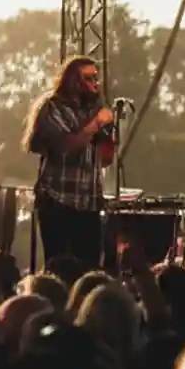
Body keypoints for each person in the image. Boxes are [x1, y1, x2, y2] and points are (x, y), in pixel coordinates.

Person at [21, 55, 114, 268]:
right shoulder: (53, 108)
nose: (95, 83)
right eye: (88, 78)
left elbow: (105, 159)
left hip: (88, 201)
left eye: (96, 78)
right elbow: (66, 148)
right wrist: (94, 125)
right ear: (73, 81)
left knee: (89, 267)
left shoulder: (93, 110)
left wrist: (108, 132)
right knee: (60, 266)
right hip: (58, 199)